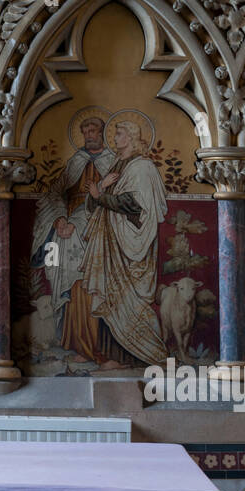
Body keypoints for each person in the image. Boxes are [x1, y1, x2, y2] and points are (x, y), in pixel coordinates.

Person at [79, 119, 169, 366]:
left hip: (130, 244)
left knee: (130, 299)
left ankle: (146, 356)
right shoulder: (118, 164)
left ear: (130, 137)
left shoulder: (141, 167)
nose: (114, 138)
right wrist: (98, 191)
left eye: (118, 134)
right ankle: (113, 356)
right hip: (112, 242)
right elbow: (98, 201)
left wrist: (101, 194)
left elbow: (135, 205)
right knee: (112, 297)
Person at [31, 113, 117, 361]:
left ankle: (97, 347)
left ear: (103, 134)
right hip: (68, 231)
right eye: (85, 132)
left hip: (99, 226)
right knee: (71, 285)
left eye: (94, 131)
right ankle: (76, 344)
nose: (89, 136)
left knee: (91, 285)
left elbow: (118, 197)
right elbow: (55, 193)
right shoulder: (75, 161)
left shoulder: (113, 162)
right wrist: (59, 219)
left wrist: (78, 218)